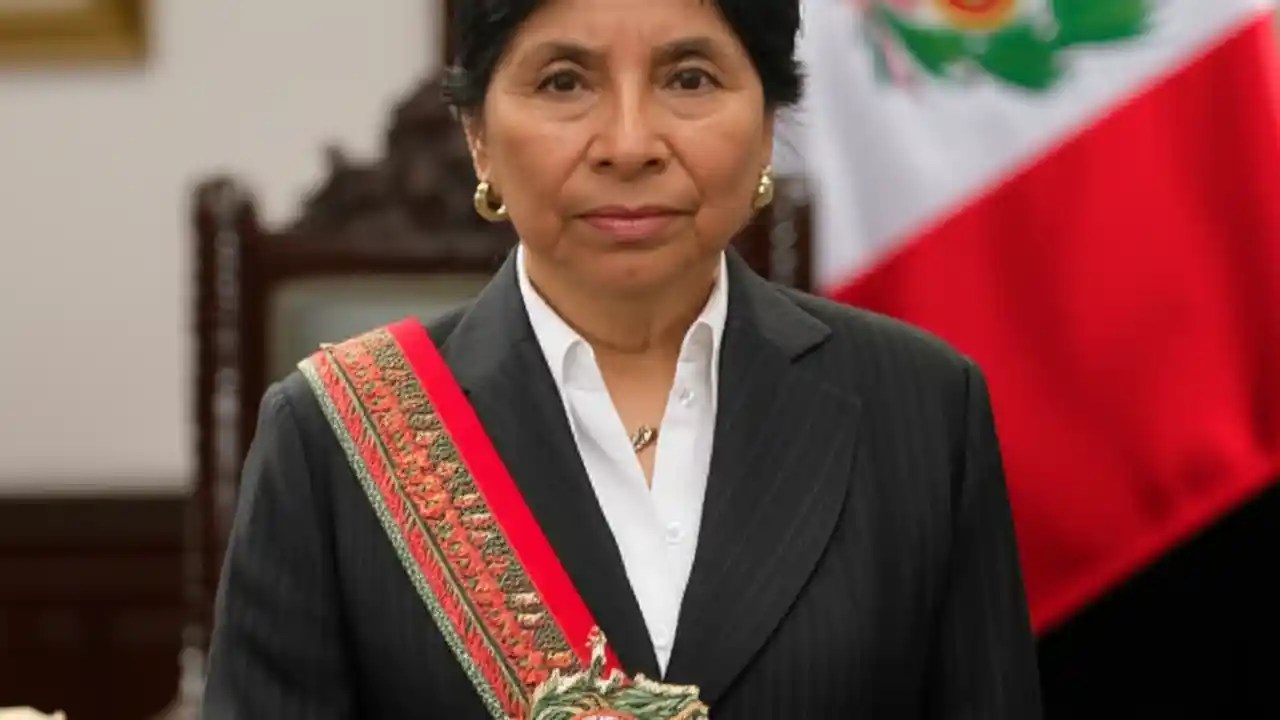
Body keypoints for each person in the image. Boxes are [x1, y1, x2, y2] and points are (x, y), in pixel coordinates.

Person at [203, 0, 1043, 717]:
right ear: (478, 135)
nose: (630, 143)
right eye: (564, 82)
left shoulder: (921, 411)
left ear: (767, 125)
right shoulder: (333, 439)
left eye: (690, 79)